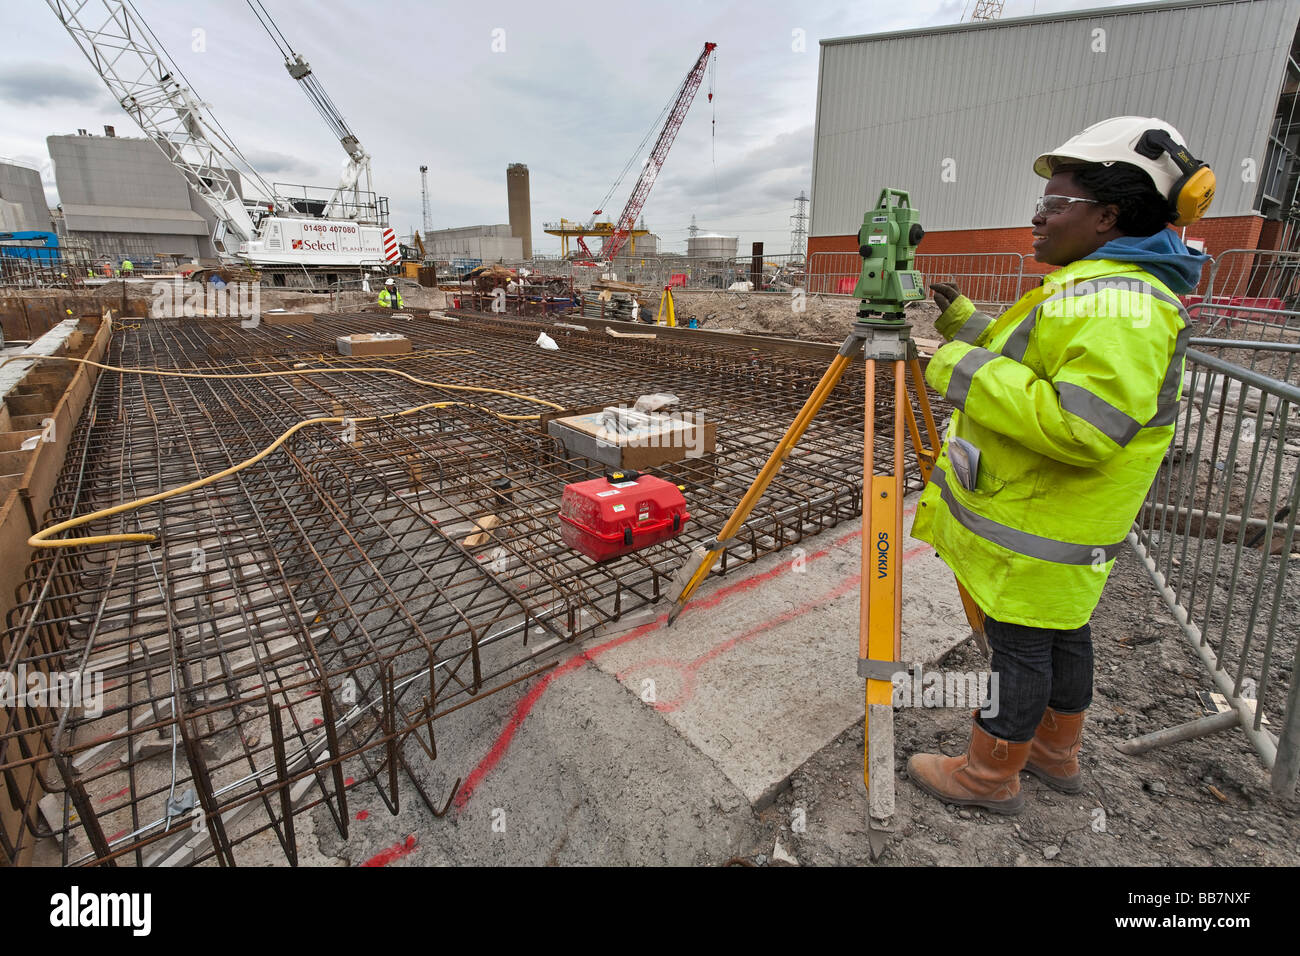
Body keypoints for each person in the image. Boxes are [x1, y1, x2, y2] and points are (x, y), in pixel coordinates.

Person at [906, 116, 1215, 814]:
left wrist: (951, 363)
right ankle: (1054, 754)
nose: (1037, 215)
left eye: (1056, 202)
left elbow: (1081, 425)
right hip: (1057, 526)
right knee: (1059, 639)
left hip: (1038, 526)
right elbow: (1040, 367)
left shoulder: (1122, 305)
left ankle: (989, 776)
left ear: (1108, 216)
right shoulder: (1103, 285)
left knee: (1018, 651)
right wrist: (967, 327)